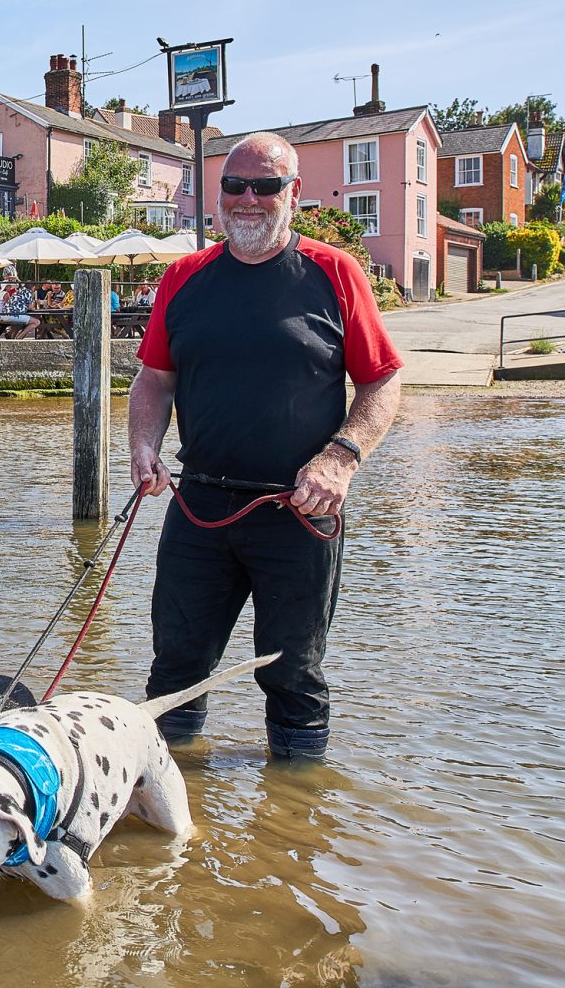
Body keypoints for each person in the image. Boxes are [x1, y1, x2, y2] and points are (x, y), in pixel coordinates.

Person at [127, 133, 403, 762]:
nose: (248, 199)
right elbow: (155, 378)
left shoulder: (335, 272)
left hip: (300, 511)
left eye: (266, 185)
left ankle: (295, 823)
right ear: (218, 194)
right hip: (199, 510)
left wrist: (342, 457)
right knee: (175, 670)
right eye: (235, 186)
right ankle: (166, 819)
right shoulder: (184, 277)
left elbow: (382, 380)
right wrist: (145, 444)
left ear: (293, 193)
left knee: (292, 674)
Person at [0, 266, 39, 339]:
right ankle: (18, 339)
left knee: (20, 323)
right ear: (33, 288)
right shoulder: (8, 293)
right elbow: (31, 308)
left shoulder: (16, 292)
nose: (11, 287)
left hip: (3, 314)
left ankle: (11, 337)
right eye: (9, 286)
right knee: (36, 322)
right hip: (2, 316)